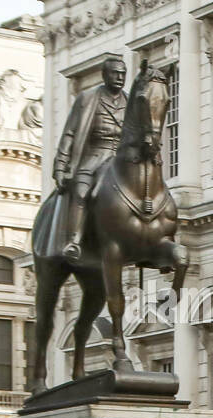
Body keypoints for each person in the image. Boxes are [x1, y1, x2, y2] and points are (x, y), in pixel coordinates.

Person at [53, 54, 128, 264]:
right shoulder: (87, 99)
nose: (120, 77)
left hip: (123, 156)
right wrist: (61, 166)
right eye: (115, 73)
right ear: (105, 75)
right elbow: (70, 133)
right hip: (97, 153)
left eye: (123, 73)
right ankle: (74, 240)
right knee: (81, 190)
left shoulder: (131, 101)